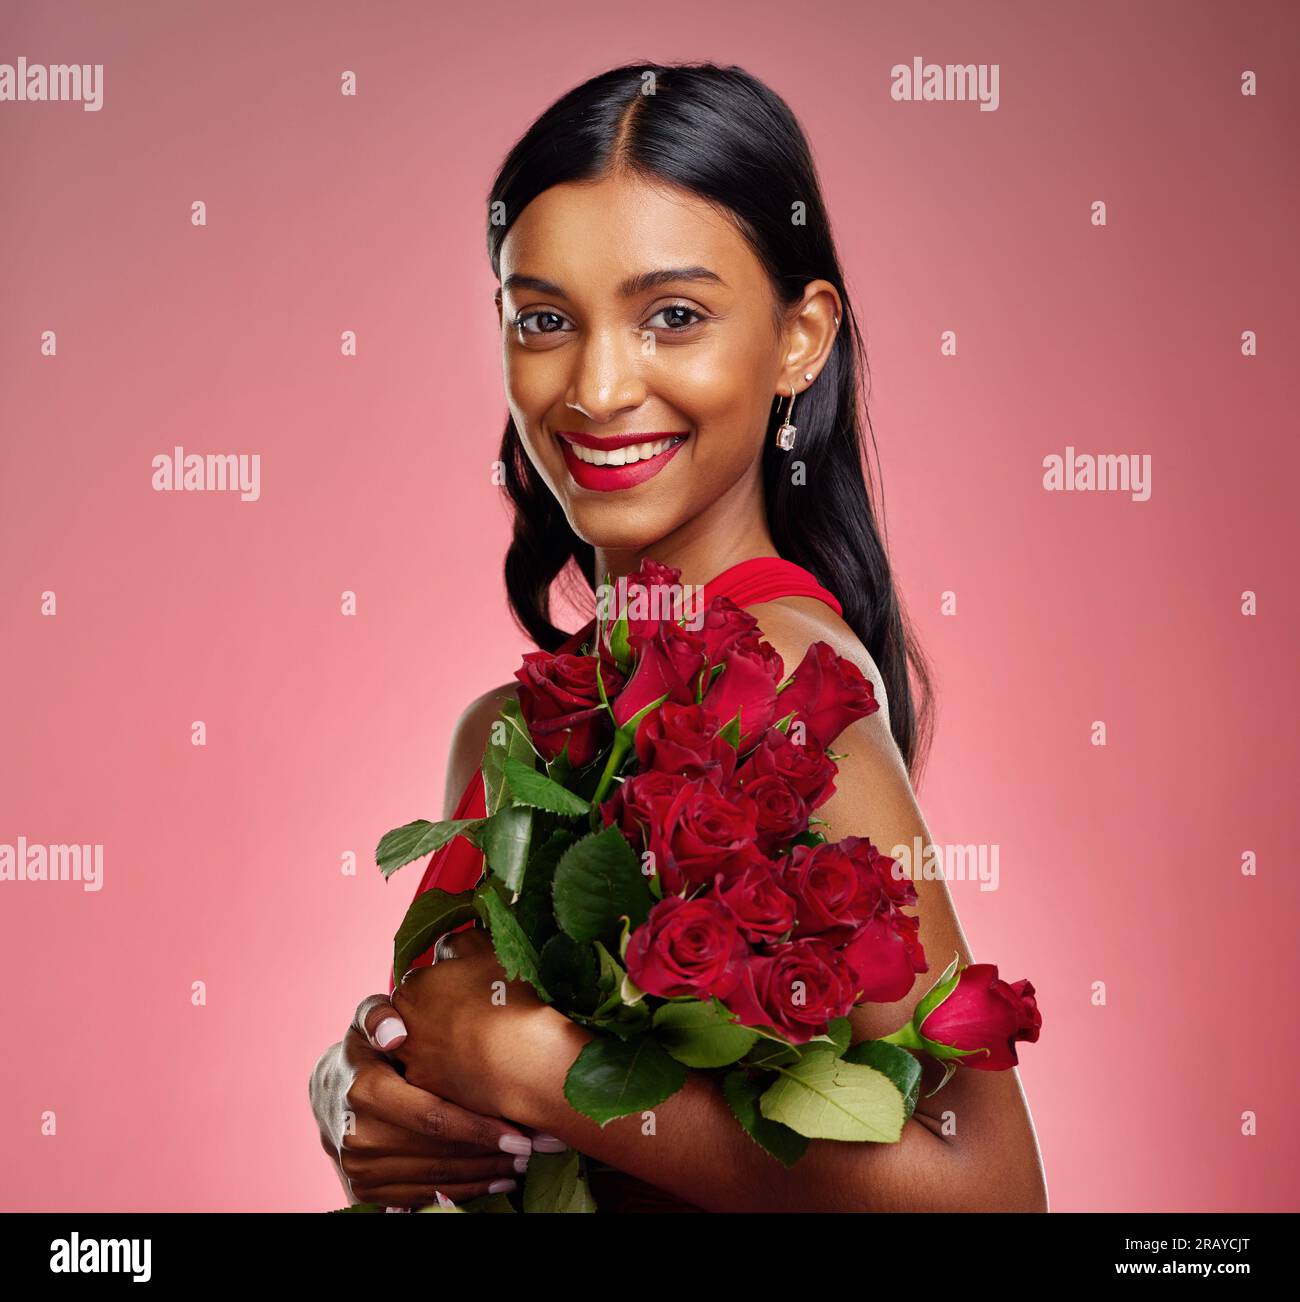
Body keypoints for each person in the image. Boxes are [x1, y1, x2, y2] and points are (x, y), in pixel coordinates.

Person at [309, 60, 1048, 1214]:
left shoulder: (792, 680)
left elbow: (992, 1197)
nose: (597, 387)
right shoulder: (500, 732)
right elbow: (439, 1086)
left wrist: (539, 1073)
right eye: (544, 319)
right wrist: (356, 1091)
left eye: (673, 317)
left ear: (800, 339)